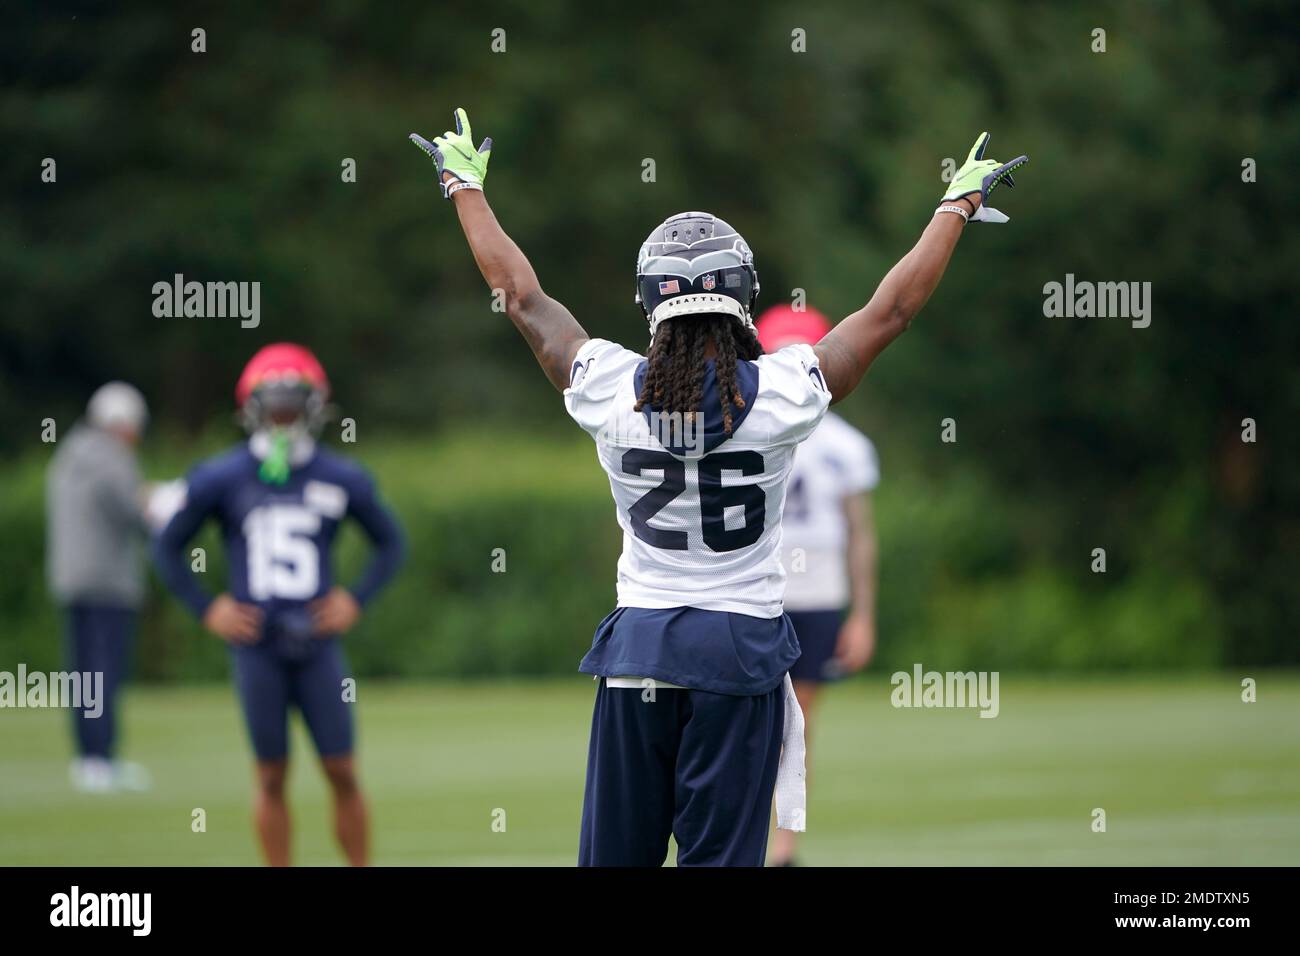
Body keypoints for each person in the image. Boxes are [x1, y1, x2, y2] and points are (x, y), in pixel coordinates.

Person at [410, 109, 1025, 866]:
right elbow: (891, 311)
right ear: (743, 296)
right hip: (738, 652)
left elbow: (523, 297)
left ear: (648, 300)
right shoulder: (783, 392)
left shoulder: (609, 387)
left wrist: (463, 188)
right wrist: (953, 208)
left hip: (640, 648)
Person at [153, 343, 405, 866]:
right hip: (257, 643)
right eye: (276, 404)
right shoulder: (221, 477)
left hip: (317, 641)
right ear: (253, 408)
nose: (285, 414)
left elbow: (391, 543)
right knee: (269, 773)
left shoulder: (341, 477)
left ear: (315, 406)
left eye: (294, 403)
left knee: (341, 769)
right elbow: (167, 547)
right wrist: (208, 608)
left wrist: (354, 600)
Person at [756, 305, 880, 866]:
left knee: (794, 725)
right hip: (761, 592)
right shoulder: (760, 420)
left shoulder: (838, 441)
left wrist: (863, 615)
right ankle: (766, 841)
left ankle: (782, 846)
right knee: (770, 724)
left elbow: (860, 534)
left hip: (809, 594)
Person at [47, 382, 153, 793]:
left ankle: (88, 756)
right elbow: (134, 510)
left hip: (71, 579)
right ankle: (101, 758)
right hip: (107, 581)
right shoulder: (111, 457)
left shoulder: (70, 452)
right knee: (102, 671)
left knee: (83, 672)